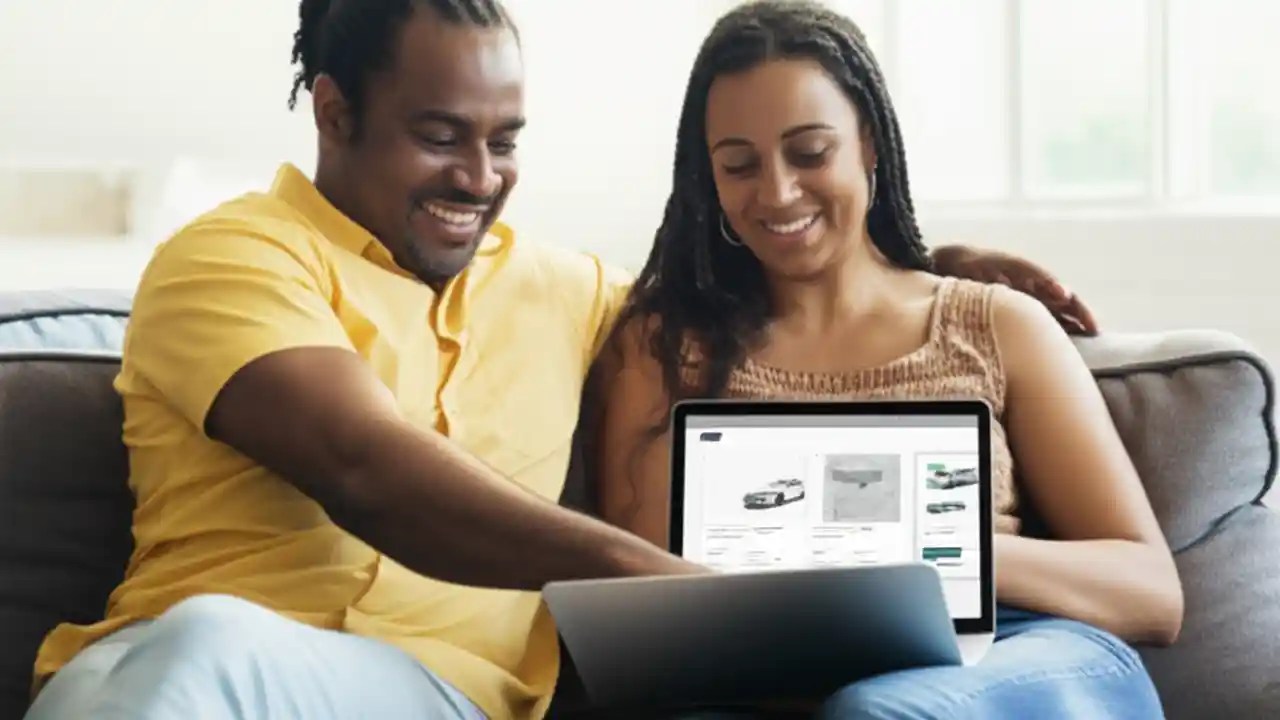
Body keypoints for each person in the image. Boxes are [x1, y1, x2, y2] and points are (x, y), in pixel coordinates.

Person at [23, 2, 1098, 720]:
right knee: (205, 647)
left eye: (506, 139)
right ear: (335, 111)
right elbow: (365, 467)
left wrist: (922, 260)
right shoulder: (230, 257)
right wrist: (678, 587)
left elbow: (759, 266)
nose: (480, 175)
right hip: (192, 676)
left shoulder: (568, 290)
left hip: (441, 701)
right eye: (442, 135)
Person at [594, 1, 1182, 718]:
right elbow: (651, 601)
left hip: (1017, 653)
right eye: (740, 165)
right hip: (775, 669)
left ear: (869, 142)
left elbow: (1152, 593)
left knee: (873, 713)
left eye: (810, 153)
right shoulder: (664, 347)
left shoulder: (997, 326)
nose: (777, 192)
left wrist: (925, 561)